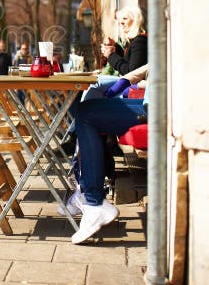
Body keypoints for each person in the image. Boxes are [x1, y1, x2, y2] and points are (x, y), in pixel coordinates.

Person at [62, 65, 148, 244]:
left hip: (159, 105)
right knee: (85, 108)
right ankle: (87, 193)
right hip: (154, 100)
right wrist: (127, 80)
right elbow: (155, 64)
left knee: (86, 115)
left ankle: (93, 201)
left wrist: (131, 83)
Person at [101, 5, 147, 75]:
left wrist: (111, 56)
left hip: (133, 84)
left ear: (137, 20)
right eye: (120, 20)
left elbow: (131, 73)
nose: (121, 23)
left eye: (125, 18)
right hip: (132, 83)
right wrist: (115, 47)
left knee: (96, 82)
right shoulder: (138, 40)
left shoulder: (140, 41)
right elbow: (130, 60)